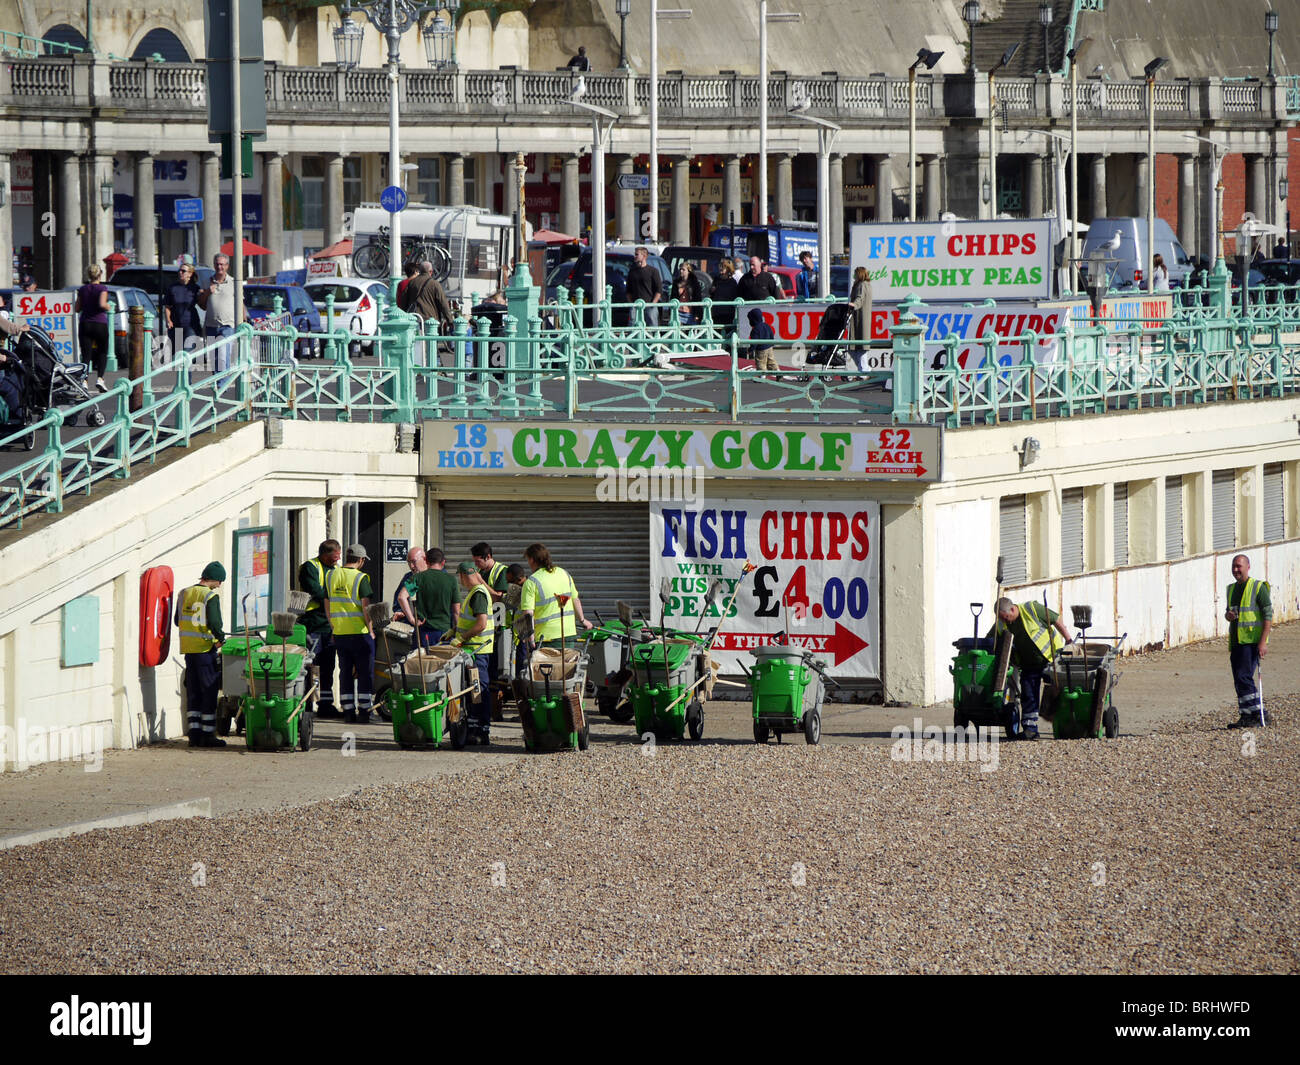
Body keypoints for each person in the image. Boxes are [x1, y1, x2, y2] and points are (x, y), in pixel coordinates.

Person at [992, 598, 1073, 741]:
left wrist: (1068, 640)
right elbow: (991, 640)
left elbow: (1056, 619)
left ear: (1012, 609)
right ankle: (1030, 730)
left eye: (1006, 618)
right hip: (1028, 664)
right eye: (1002, 619)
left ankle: (1066, 725)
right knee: (1028, 695)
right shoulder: (1001, 623)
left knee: (1059, 691)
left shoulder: (1032, 609)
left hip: (1051, 658)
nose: (1006, 622)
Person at [175, 561, 227, 748]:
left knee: (194, 692)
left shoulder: (183, 593)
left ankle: (194, 734)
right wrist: (220, 638)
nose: (220, 585)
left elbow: (176, 620)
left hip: (188, 650)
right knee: (209, 691)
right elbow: (215, 622)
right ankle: (208, 734)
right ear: (212, 579)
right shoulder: (210, 597)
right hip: (205, 650)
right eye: (219, 581)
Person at [326, 542, 375, 725]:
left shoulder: (331, 575)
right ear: (361, 560)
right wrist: (370, 630)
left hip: (340, 633)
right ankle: (364, 711)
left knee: (345, 671)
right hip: (360, 633)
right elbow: (366, 606)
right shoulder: (361, 578)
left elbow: (327, 602)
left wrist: (333, 626)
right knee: (364, 672)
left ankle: (347, 710)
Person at [450, 561, 496, 745]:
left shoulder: (478, 594)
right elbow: (470, 621)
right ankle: (474, 728)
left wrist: (462, 638)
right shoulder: (476, 593)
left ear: (462, 576)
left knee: (479, 691)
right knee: (474, 690)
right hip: (474, 650)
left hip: (478, 651)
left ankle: (481, 731)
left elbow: (481, 624)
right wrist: (454, 631)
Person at [1224, 553, 1272, 729]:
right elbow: (1229, 612)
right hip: (1237, 641)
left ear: (1247, 567)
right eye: (1234, 566)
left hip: (1251, 641)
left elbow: (1268, 615)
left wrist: (1263, 642)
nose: (1236, 570)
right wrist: (1228, 616)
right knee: (1239, 679)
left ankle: (1259, 714)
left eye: (1239, 566)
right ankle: (1246, 714)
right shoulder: (1231, 589)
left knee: (1245, 677)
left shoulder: (1258, 587)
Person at [519, 542, 593, 649]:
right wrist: (582, 620)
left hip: (546, 637)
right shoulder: (564, 573)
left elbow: (528, 613)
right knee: (567, 665)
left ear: (531, 560)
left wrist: (530, 637)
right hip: (567, 634)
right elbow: (575, 599)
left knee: (548, 666)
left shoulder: (531, 581)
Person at [298, 538, 341, 719]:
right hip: (313, 624)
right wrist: (336, 595)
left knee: (328, 666)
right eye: (333, 558)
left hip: (331, 626)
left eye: (338, 557)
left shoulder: (337, 569)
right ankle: (307, 703)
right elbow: (317, 590)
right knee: (309, 666)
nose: (336, 561)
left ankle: (325, 704)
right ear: (324, 555)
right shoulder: (310, 567)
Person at [397, 546, 462, 646]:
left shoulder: (418, 578)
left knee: (422, 660)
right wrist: (458, 633)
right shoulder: (451, 580)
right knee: (441, 661)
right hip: (444, 633)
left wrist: (412, 619)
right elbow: (456, 612)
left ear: (426, 561)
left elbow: (402, 597)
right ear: (443, 562)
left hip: (423, 632)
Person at [198, 254, 243, 371]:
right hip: (211, 325)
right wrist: (207, 292)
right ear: (214, 265)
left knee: (223, 356)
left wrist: (243, 322)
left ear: (227, 266)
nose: (219, 267)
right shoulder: (206, 282)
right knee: (214, 359)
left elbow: (240, 304)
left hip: (227, 325)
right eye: (217, 264)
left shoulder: (234, 282)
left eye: (222, 264)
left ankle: (221, 386)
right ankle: (218, 383)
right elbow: (202, 305)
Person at [75, 263, 110, 392]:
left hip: (85, 323)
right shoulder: (102, 288)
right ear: (100, 274)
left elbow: (77, 308)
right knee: (102, 351)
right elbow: (102, 304)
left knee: (86, 354)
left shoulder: (83, 289)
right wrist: (108, 306)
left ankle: (84, 380)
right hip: (99, 323)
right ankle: (100, 378)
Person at [407, 260, 455, 335]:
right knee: (430, 343)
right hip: (430, 321)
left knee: (416, 344)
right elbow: (443, 304)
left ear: (419, 270)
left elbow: (405, 301)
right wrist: (450, 321)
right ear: (431, 271)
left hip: (414, 319)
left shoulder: (411, 283)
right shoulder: (435, 284)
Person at [163, 262, 202, 349]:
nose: (180, 272)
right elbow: (167, 306)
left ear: (190, 274)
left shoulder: (195, 288)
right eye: (179, 270)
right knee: (176, 352)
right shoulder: (172, 287)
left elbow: (202, 304)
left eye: (183, 271)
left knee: (187, 351)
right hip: (175, 325)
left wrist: (203, 294)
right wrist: (168, 320)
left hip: (191, 324)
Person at [625, 246, 662, 327]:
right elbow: (628, 290)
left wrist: (652, 304)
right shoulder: (632, 271)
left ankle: (653, 340)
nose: (634, 256)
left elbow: (659, 290)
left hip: (649, 304)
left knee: (652, 325)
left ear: (644, 256)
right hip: (635, 305)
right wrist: (632, 304)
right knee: (632, 326)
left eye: (636, 254)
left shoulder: (653, 271)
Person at [848, 265, 874, 369]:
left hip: (860, 317)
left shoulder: (862, 285)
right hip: (860, 317)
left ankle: (864, 370)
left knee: (859, 344)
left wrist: (854, 305)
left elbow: (860, 298)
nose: (854, 275)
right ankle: (862, 369)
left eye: (855, 273)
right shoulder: (866, 284)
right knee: (858, 345)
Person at [710, 258, 740, 330]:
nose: (720, 269)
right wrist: (711, 290)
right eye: (720, 266)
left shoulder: (732, 282)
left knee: (727, 332)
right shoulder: (716, 279)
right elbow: (711, 294)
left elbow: (735, 297)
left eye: (723, 267)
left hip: (728, 313)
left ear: (728, 269)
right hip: (717, 312)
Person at [746, 307, 778, 374]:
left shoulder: (755, 329)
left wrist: (750, 350)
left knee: (760, 362)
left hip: (760, 349)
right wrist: (772, 344)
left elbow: (754, 342)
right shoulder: (766, 325)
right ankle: (777, 372)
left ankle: (762, 375)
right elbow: (771, 334)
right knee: (771, 361)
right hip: (769, 347)